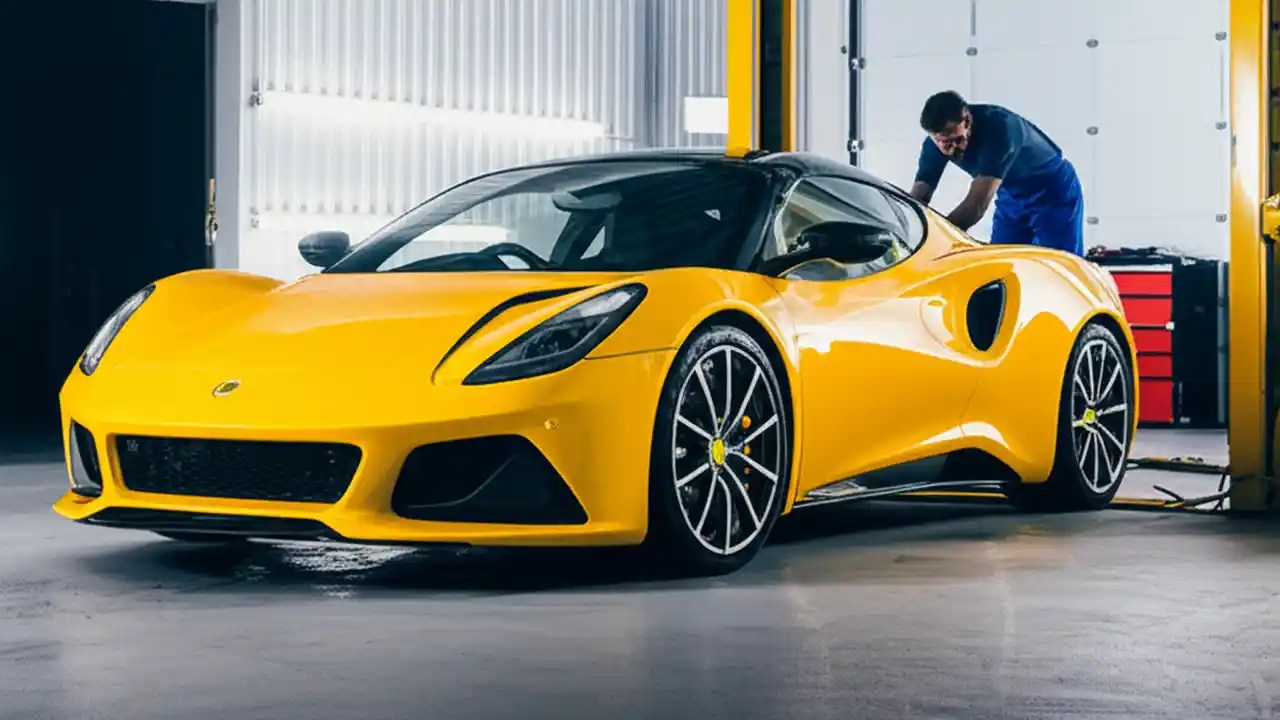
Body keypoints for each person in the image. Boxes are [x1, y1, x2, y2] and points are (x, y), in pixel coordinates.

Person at [909, 91, 1085, 256]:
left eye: (957, 140)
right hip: (1011, 198)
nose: (952, 147)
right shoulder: (933, 146)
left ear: (968, 121)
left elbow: (975, 206)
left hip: (1054, 192)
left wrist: (937, 241)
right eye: (944, 142)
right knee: (1002, 262)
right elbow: (918, 198)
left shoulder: (1000, 128)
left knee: (1061, 266)